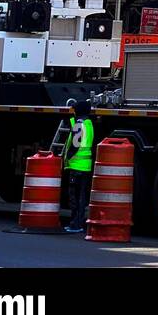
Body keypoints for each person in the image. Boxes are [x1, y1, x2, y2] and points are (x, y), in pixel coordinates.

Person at [63, 98, 95, 233]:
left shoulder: (79, 124)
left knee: (74, 197)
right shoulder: (89, 124)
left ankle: (75, 224)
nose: (73, 112)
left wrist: (66, 158)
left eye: (75, 110)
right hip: (86, 166)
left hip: (76, 166)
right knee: (82, 196)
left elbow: (75, 144)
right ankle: (79, 223)